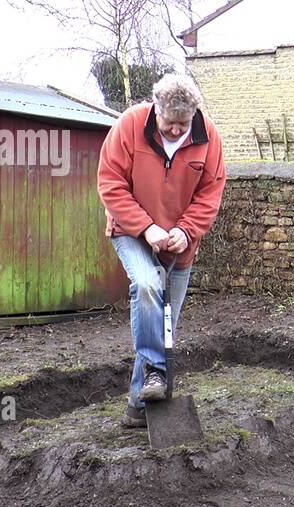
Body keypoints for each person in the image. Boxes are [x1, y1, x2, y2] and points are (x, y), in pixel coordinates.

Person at [98, 74, 226, 428]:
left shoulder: (208, 137)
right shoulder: (130, 126)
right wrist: (147, 228)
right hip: (132, 232)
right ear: (156, 109)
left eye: (182, 124)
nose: (174, 130)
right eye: (168, 122)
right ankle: (156, 372)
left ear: (194, 116)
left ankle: (138, 408)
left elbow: (210, 194)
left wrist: (185, 231)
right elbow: (110, 184)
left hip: (181, 244)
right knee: (148, 286)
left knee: (162, 323)